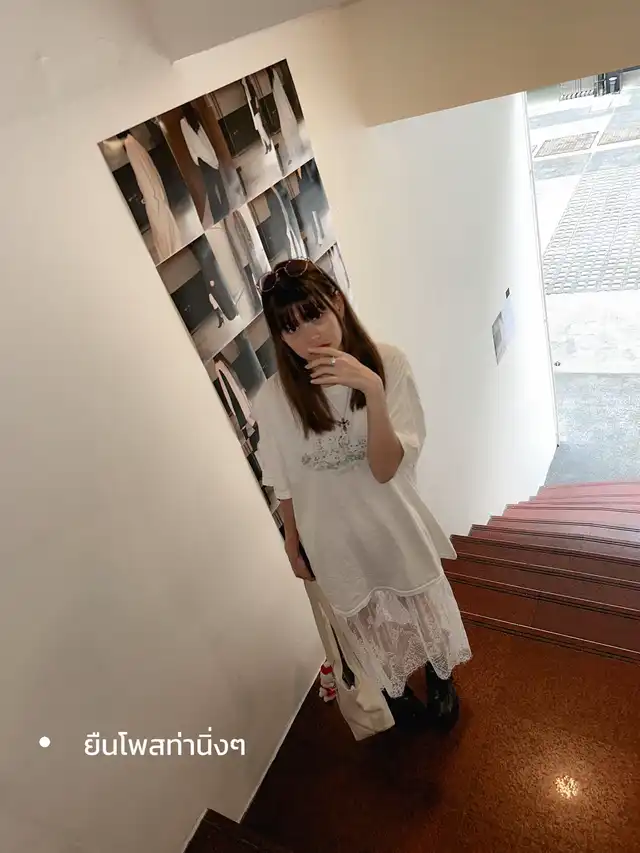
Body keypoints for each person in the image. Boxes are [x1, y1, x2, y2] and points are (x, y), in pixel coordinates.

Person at [252, 258, 471, 730]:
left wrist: (370, 388)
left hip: (392, 521)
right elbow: (283, 480)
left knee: (420, 605)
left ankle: (440, 677)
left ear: (337, 301)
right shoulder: (272, 399)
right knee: (370, 624)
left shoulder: (388, 364)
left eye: (314, 314)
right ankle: (395, 689)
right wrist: (291, 542)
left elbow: (385, 468)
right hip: (332, 538)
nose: (308, 335)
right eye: (290, 327)